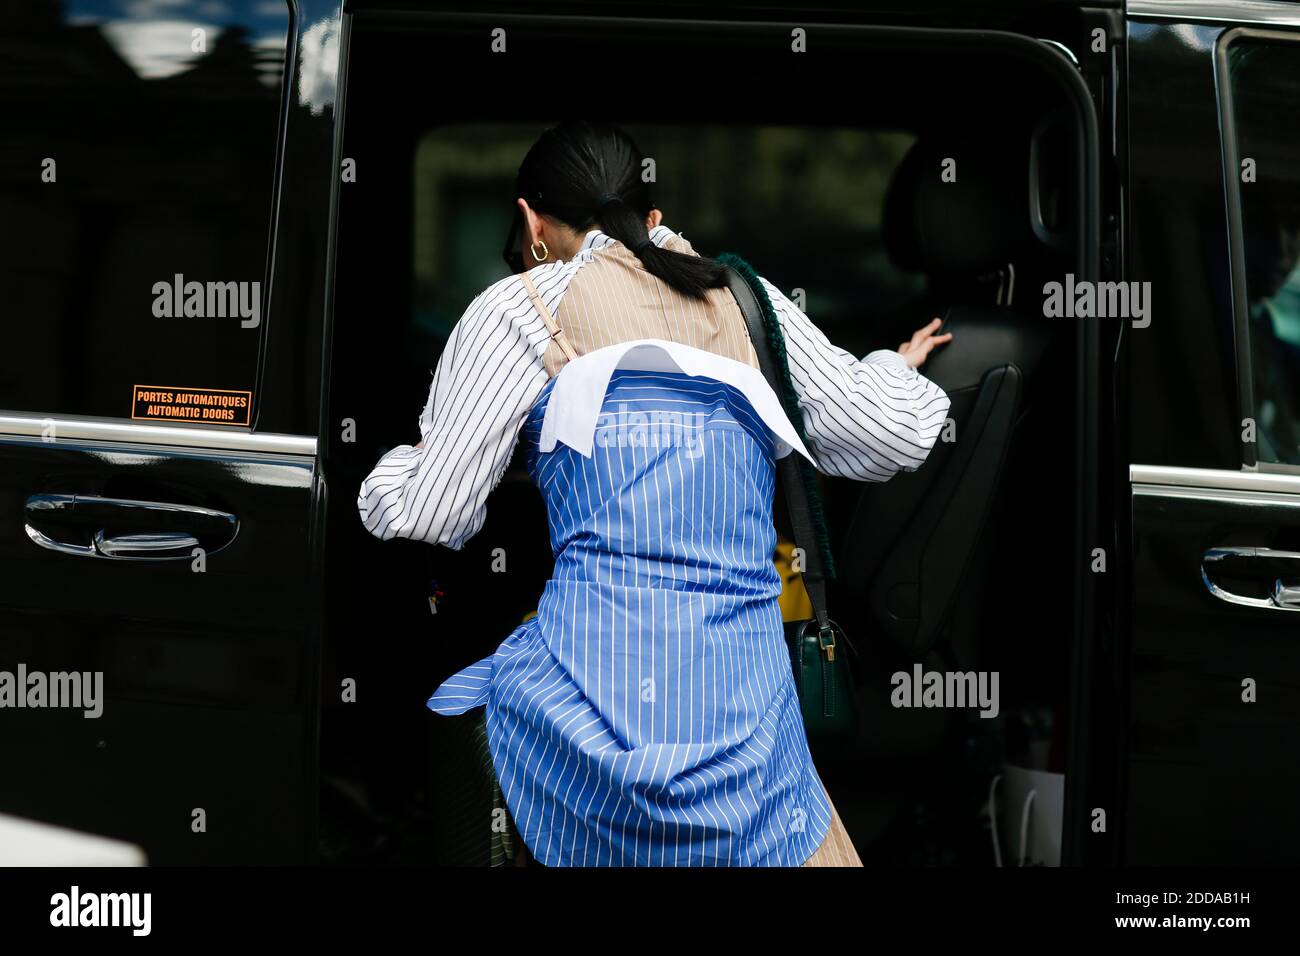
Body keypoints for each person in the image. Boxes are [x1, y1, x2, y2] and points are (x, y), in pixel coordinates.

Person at [357, 121, 952, 866]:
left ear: (530, 221)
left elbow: (428, 512)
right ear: (655, 218)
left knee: (459, 704)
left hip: (582, 728)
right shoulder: (745, 298)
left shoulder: (517, 309)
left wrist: (400, 459)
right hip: (747, 736)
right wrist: (895, 367)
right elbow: (888, 436)